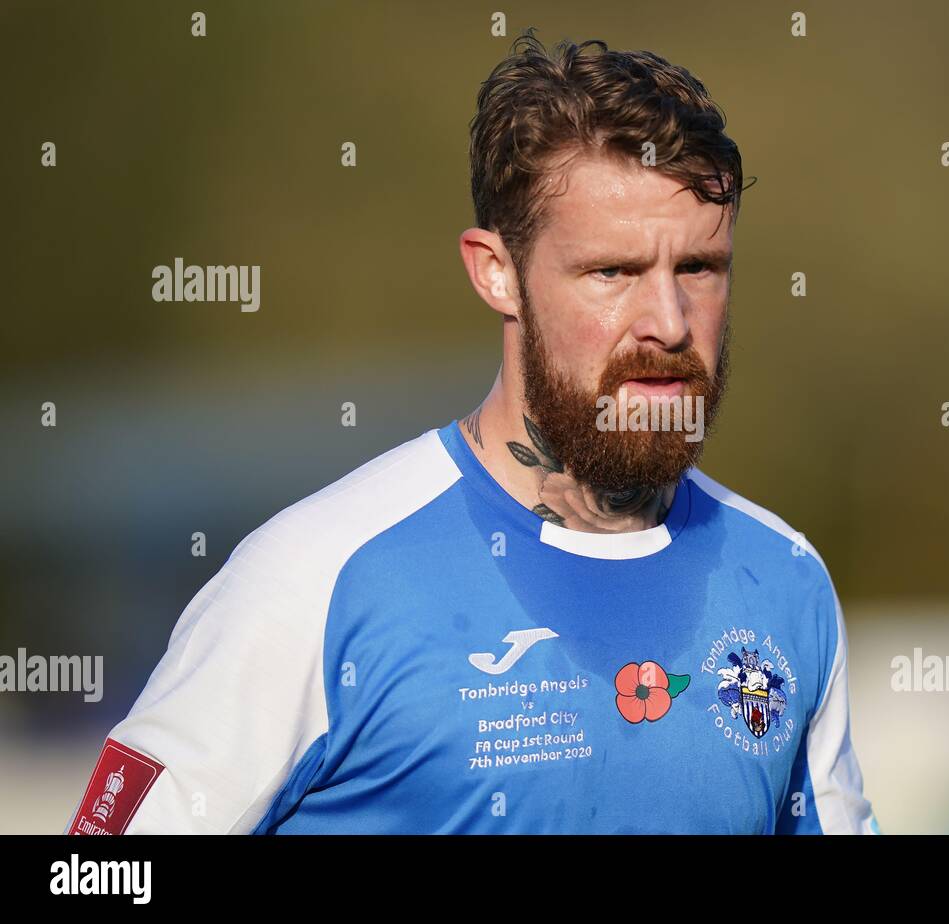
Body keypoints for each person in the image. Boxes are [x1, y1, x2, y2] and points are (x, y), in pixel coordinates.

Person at [63, 29, 880, 835]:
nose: (667, 322)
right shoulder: (314, 582)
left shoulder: (785, 581)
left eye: (698, 268)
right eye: (612, 272)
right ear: (497, 272)